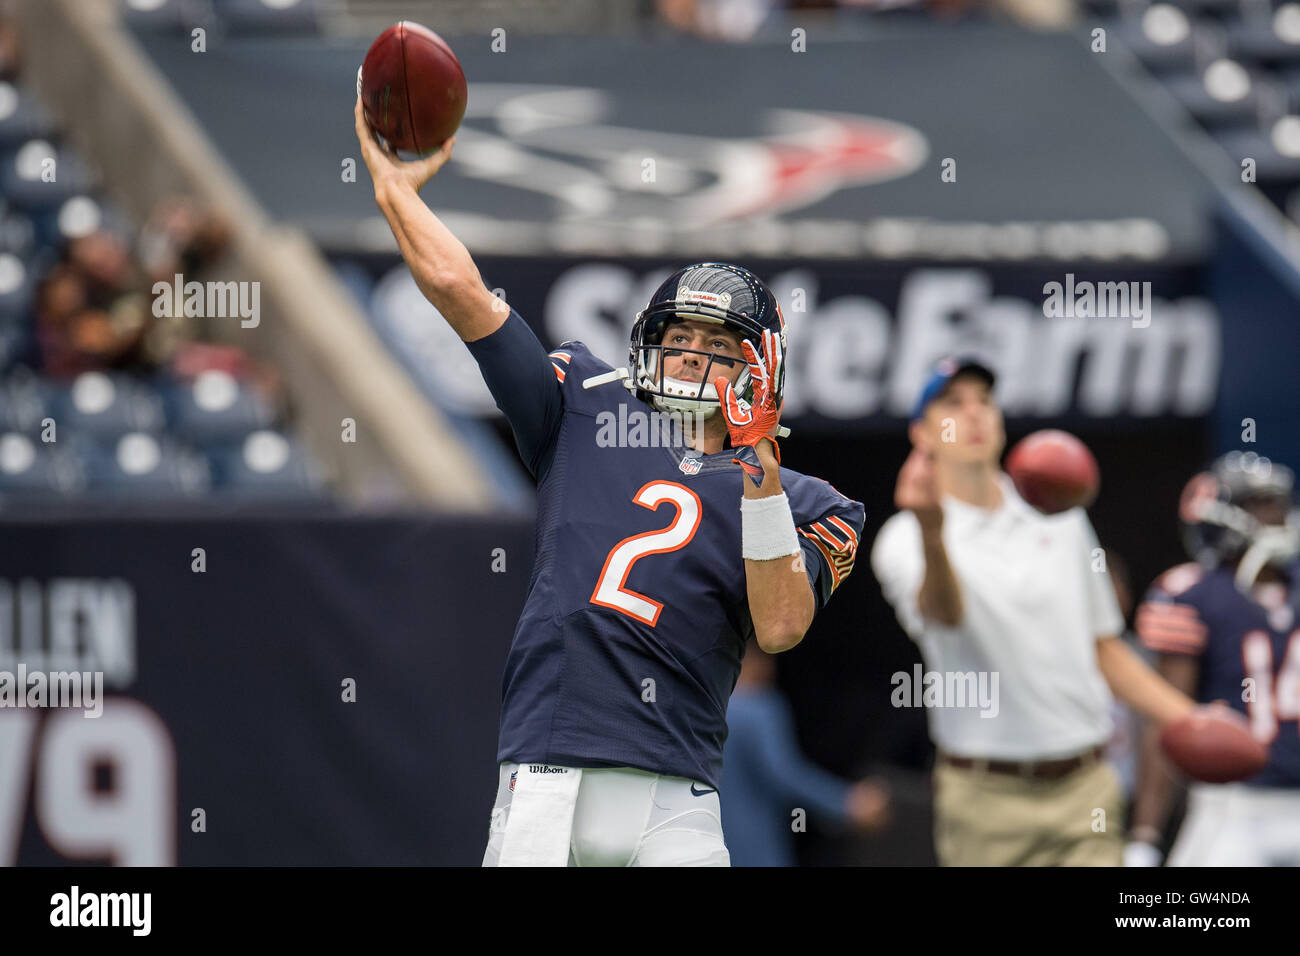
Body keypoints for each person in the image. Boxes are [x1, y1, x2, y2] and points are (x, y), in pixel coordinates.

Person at [353, 99, 865, 867]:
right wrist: (397, 190)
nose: (691, 355)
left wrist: (760, 484)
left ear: (760, 368)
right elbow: (464, 294)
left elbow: (782, 627)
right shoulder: (584, 401)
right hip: (544, 776)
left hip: (676, 796)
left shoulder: (809, 502)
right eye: (678, 337)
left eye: (716, 343)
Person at [869, 355, 1195, 866]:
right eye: (953, 403)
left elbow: (1104, 647)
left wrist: (1192, 721)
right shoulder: (905, 536)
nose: (974, 413)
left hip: (1085, 786)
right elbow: (946, 616)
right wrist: (933, 529)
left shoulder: (1060, 514)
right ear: (922, 433)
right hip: (984, 798)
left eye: (985, 400)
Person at [1127, 453, 1300, 866]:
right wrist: (1145, 835)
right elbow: (1168, 719)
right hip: (1234, 807)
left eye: (1278, 502)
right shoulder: (1192, 593)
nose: (1276, 515)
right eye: (1260, 504)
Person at [722, 637, 890, 865]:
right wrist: (847, 803)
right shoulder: (759, 708)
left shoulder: (701, 711)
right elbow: (784, 775)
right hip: (756, 852)